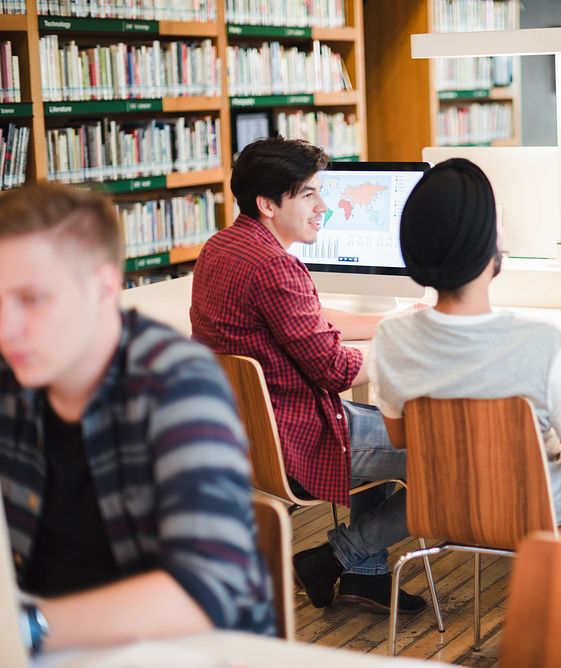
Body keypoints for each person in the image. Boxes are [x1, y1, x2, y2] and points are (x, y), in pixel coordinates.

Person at [0, 183, 274, 655]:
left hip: (183, 652)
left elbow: (208, 592)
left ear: (104, 287)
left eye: (32, 299)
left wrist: (24, 629)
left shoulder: (178, 384)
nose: (6, 327)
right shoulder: (13, 373)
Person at [371, 159, 561, 546]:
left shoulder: (390, 336)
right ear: (490, 247)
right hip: (540, 507)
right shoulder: (541, 343)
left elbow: (400, 436)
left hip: (445, 506)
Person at [189, 137, 426, 614]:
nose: (324, 207)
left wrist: (390, 323)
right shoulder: (276, 267)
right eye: (309, 194)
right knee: (445, 454)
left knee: (387, 419)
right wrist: (405, 345)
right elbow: (337, 370)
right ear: (268, 204)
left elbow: (309, 316)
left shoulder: (223, 248)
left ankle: (366, 578)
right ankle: (336, 557)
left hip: (250, 434)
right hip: (303, 439)